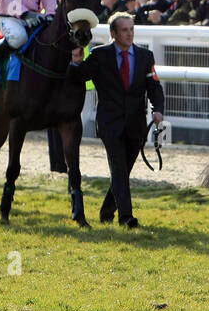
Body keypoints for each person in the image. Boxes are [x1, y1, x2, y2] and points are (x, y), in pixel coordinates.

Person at [68, 13, 164, 228]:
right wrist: (76, 62)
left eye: (131, 29)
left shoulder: (145, 56)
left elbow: (154, 87)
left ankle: (106, 211)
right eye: (124, 30)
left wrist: (158, 110)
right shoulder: (100, 55)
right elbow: (80, 76)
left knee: (122, 170)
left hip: (136, 124)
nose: (129, 34)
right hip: (110, 123)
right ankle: (126, 217)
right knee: (119, 168)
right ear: (113, 33)